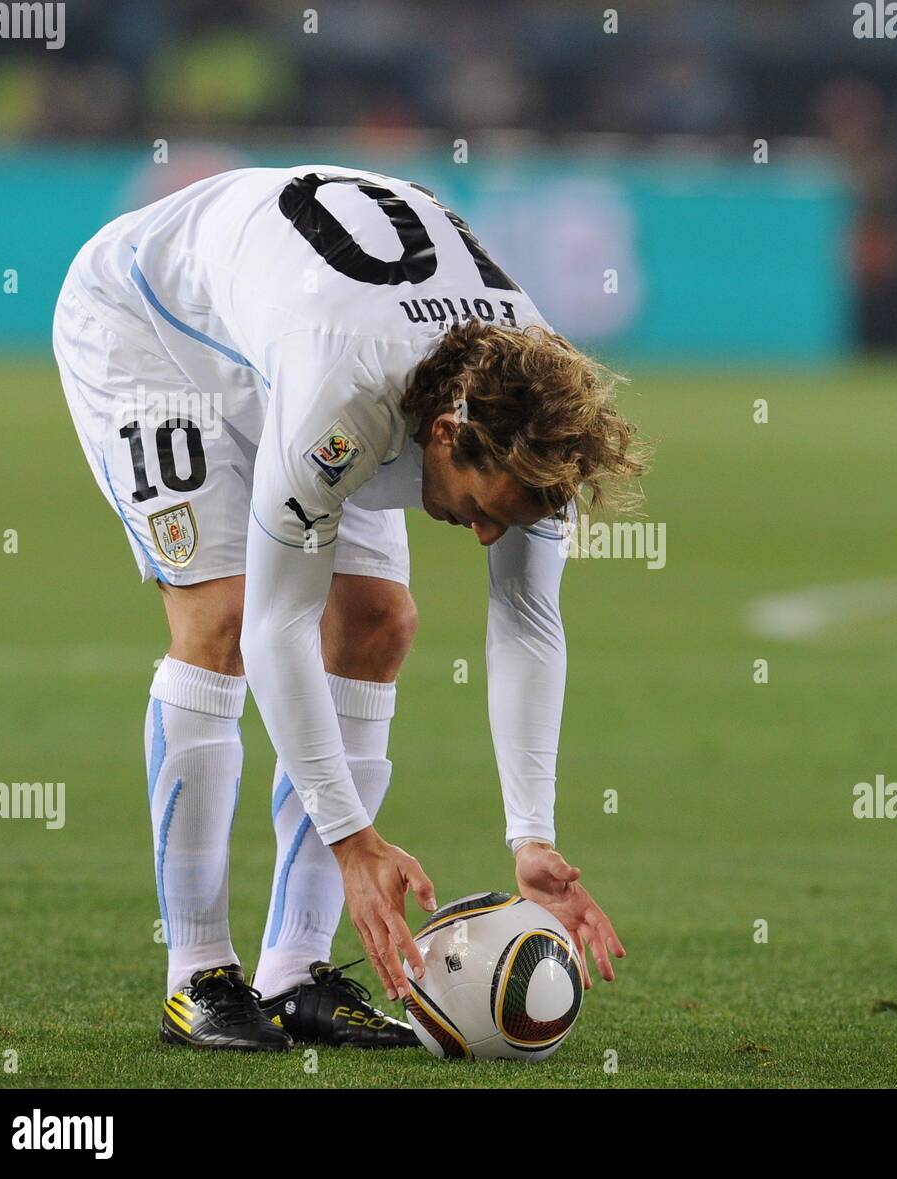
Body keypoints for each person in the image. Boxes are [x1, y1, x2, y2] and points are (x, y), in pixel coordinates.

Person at [53, 165, 644, 1051]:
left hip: (294, 336)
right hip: (151, 327)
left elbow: (525, 616)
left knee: (379, 620)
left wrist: (532, 835)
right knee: (223, 613)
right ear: (442, 435)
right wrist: (351, 836)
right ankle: (199, 977)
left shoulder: (536, 414)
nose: (487, 535)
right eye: (484, 506)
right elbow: (275, 625)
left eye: (509, 518)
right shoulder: (348, 396)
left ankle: (295, 974)